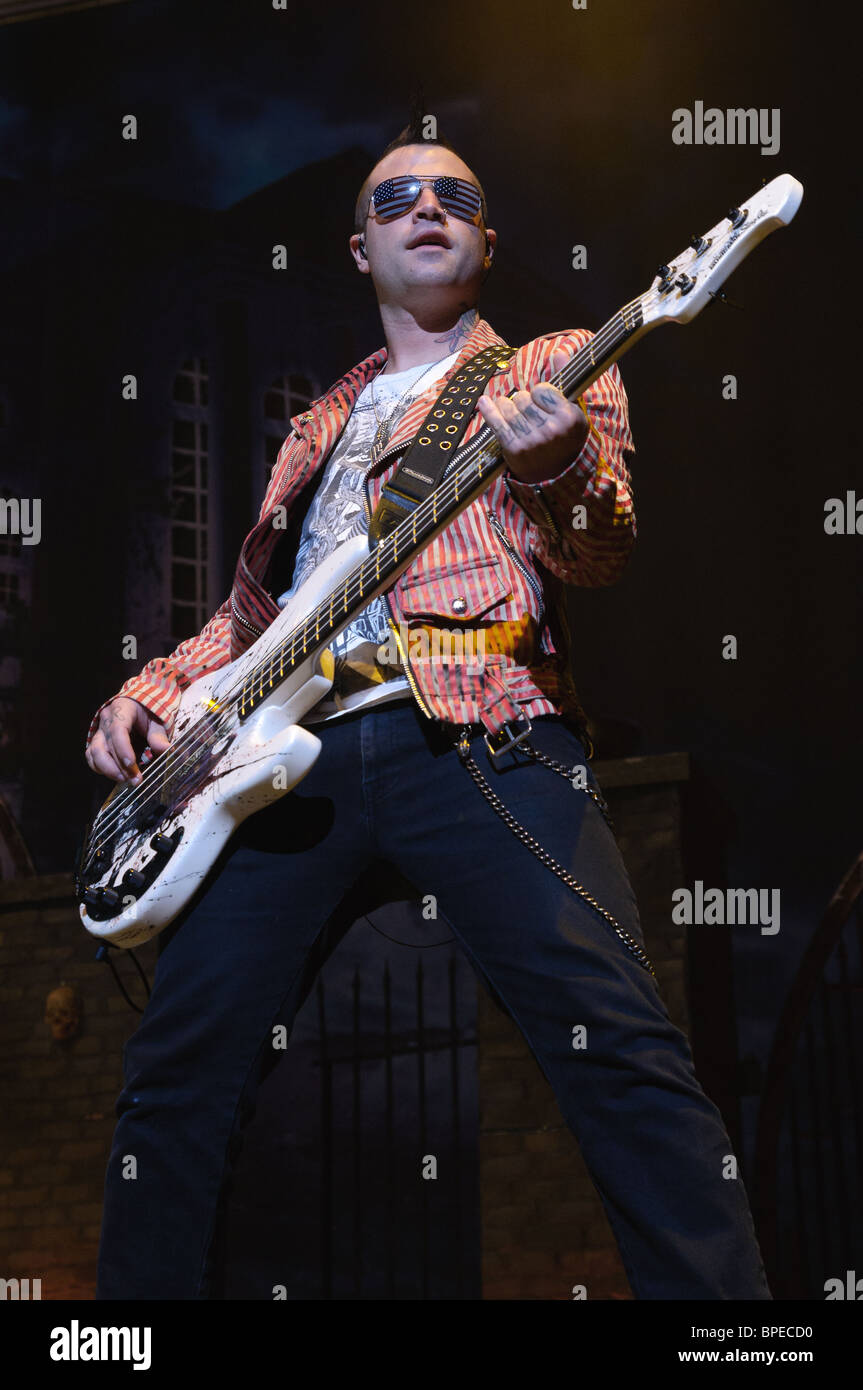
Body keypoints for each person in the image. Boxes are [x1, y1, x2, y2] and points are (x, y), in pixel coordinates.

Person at [84, 118, 772, 1300]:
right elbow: (255, 620)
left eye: (450, 196)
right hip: (280, 762)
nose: (423, 207)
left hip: (475, 719)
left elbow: (599, 549)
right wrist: (149, 692)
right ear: (359, 248)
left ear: (484, 241)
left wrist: (551, 464)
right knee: (174, 1073)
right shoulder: (314, 426)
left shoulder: (548, 363)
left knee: (616, 1043)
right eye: (394, 196)